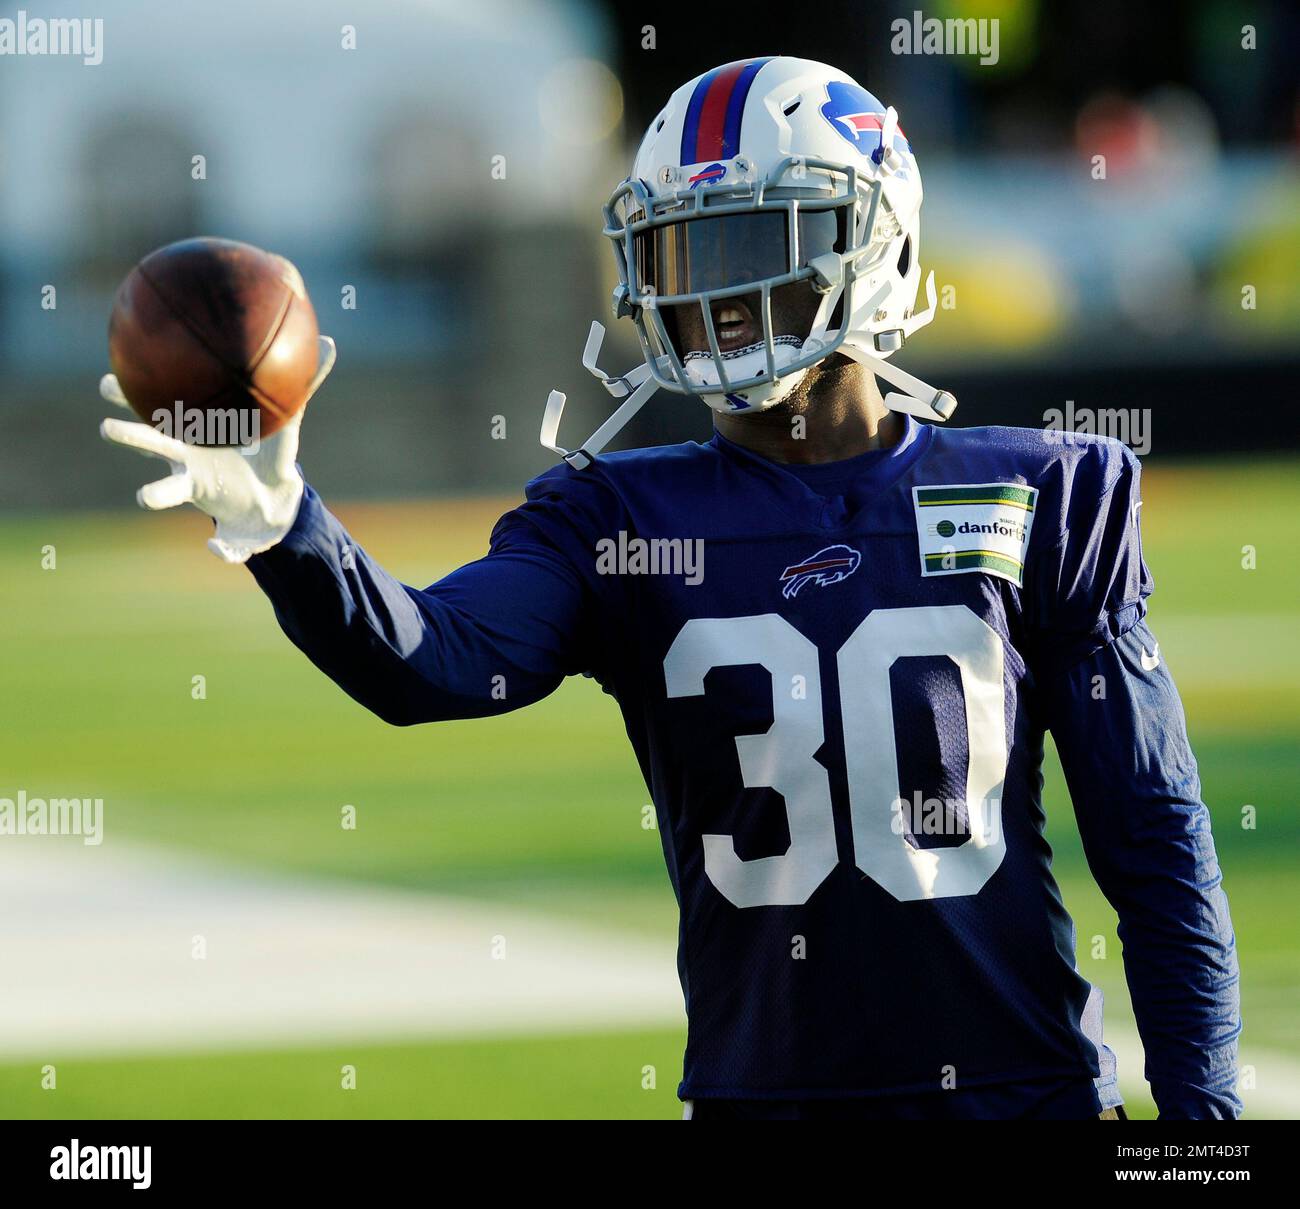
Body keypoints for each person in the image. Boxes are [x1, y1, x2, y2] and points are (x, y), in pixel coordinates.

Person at [100, 57, 1240, 1120]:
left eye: (761, 244)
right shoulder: (615, 517)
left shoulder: (1043, 493)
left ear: (874, 239)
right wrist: (285, 526)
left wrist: (1200, 1129)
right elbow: (436, 664)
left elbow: (1154, 839)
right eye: (691, 257)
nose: (722, 301)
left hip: (1017, 1095)